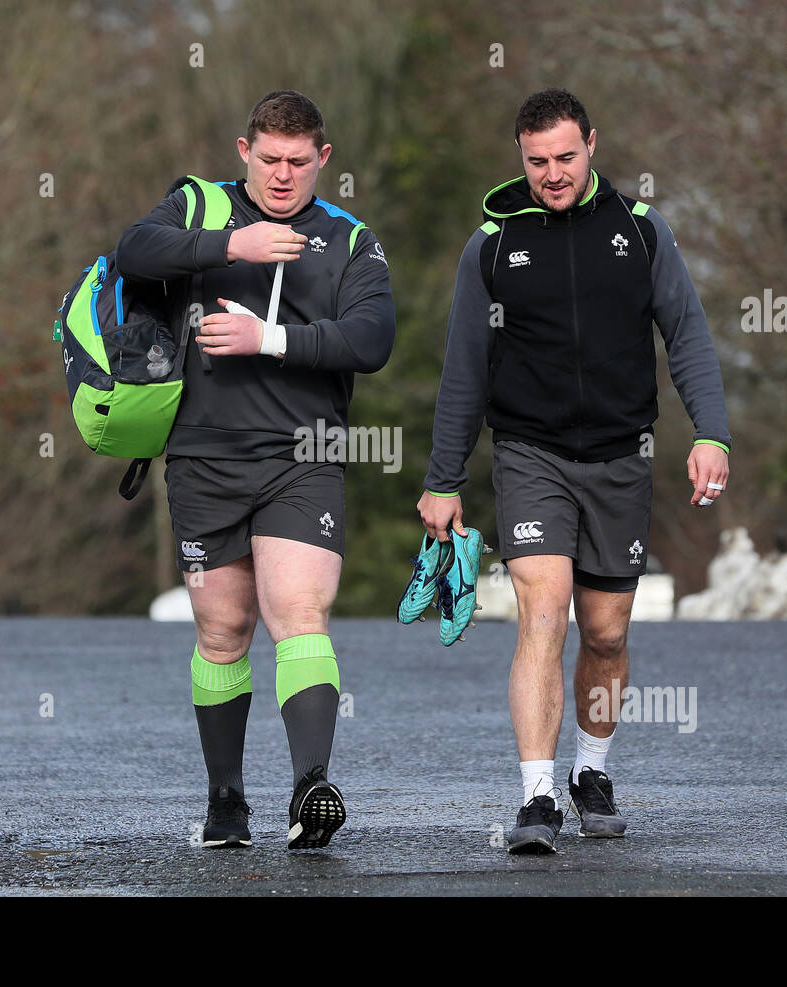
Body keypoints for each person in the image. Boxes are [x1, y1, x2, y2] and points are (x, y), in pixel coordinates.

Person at [416, 88, 731, 854]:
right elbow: (464, 367)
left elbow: (685, 334)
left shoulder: (642, 231)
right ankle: (536, 795)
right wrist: (443, 476)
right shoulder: (491, 245)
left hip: (624, 457)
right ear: (518, 156)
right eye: (536, 161)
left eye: (564, 157)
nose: (551, 174)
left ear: (592, 142)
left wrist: (711, 433)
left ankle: (592, 771)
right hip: (531, 453)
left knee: (606, 630)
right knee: (544, 611)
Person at [116, 91, 395, 850]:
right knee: (223, 627)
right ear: (244, 151)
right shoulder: (199, 209)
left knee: (299, 611)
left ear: (323, 160)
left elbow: (372, 339)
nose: (281, 175)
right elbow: (132, 251)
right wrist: (226, 249)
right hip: (203, 455)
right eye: (268, 158)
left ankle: (311, 786)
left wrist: (268, 339)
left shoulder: (348, 239)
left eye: (298, 162)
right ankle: (227, 798)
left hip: (304, 455)